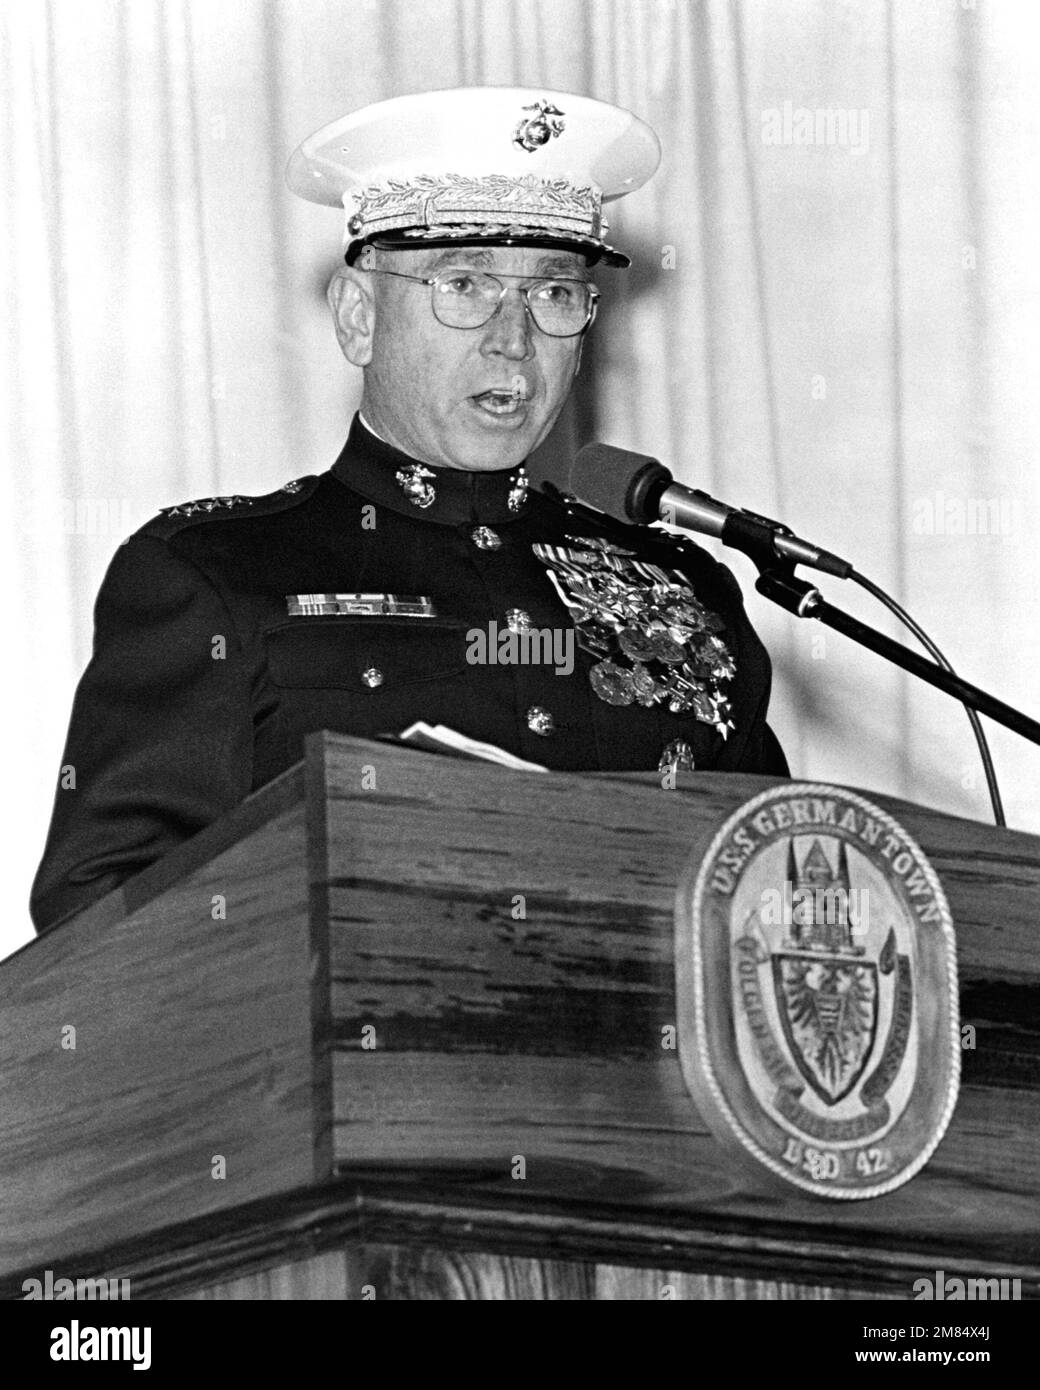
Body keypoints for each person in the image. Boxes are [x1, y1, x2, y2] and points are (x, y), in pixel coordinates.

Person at [30, 87, 787, 933]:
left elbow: (777, 902)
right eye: (464, 284)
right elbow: (98, 919)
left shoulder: (683, 589)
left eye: (555, 294)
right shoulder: (216, 572)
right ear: (359, 318)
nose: (514, 339)